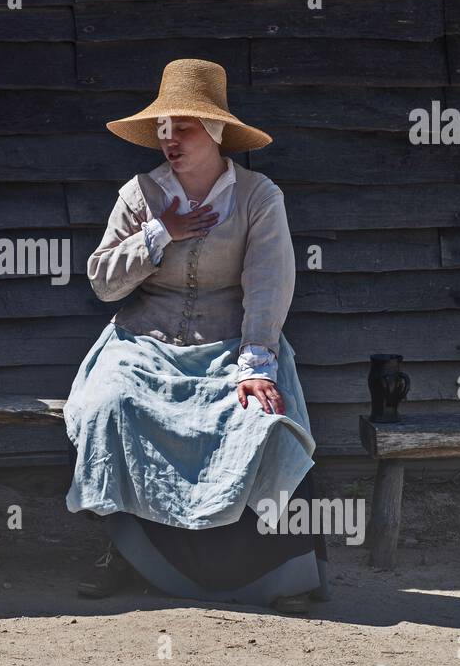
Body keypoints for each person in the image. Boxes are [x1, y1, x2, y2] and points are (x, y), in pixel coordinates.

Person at [64, 59, 330, 612]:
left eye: (181, 128)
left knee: (264, 421)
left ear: (214, 132)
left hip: (232, 347)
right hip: (143, 344)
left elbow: (269, 282)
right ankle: (123, 550)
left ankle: (279, 572)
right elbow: (103, 284)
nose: (169, 141)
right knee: (107, 406)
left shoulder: (258, 196)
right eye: (162, 129)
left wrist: (257, 364)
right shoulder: (139, 195)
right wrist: (160, 233)